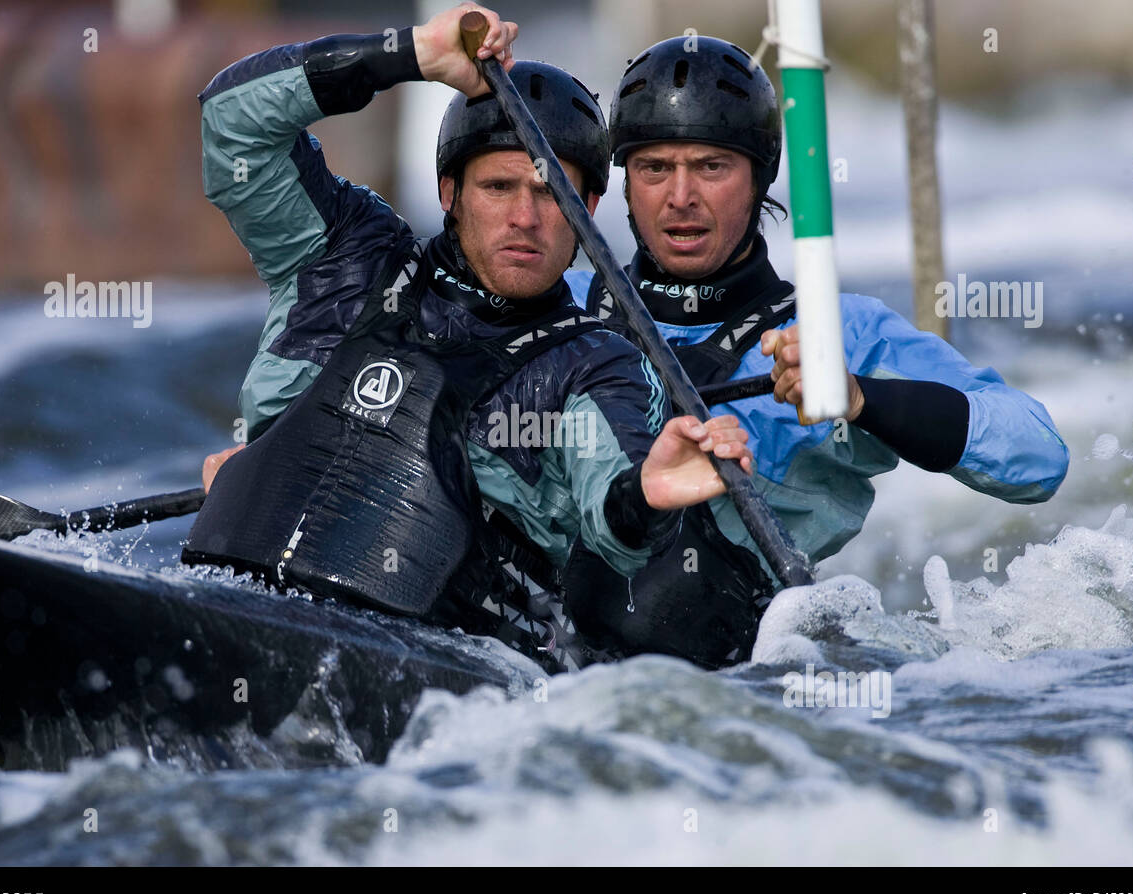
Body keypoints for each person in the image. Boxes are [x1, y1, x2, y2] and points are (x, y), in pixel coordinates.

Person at [184, 5, 754, 666]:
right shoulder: (341, 255)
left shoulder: (597, 365)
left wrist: (645, 496)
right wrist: (413, 56)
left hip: (426, 669)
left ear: (589, 211)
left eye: (550, 194)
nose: (523, 218)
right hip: (227, 596)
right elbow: (230, 122)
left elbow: (613, 505)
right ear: (449, 191)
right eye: (498, 187)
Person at [561, 36, 1070, 667]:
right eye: (654, 167)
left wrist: (862, 399)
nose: (680, 196)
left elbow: (1039, 457)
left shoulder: (839, 333)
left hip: (742, 685)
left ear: (763, 174)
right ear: (623, 181)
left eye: (712, 166)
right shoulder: (559, 305)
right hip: (542, 671)